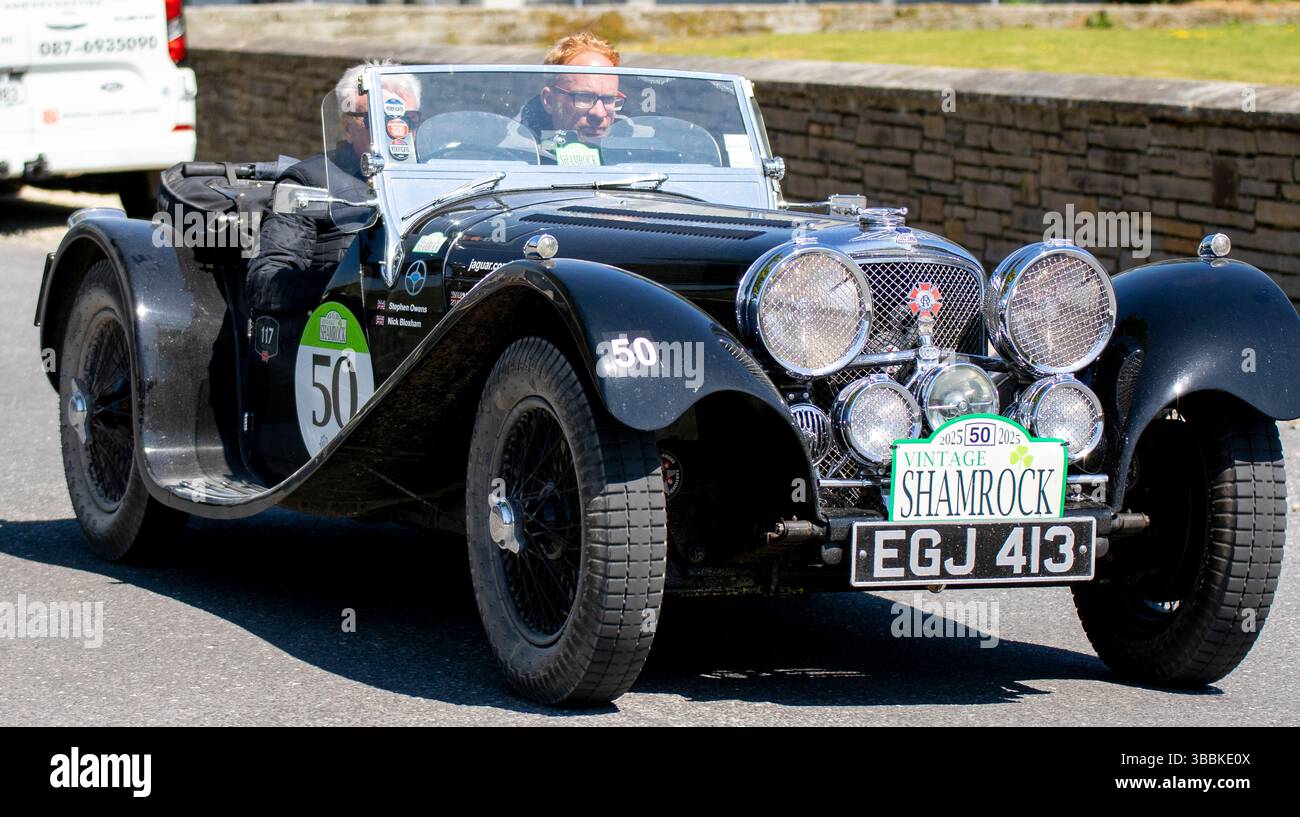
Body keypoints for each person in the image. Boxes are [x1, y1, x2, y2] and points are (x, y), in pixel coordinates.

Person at [240, 61, 420, 480]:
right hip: (341, 338)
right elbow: (266, 281)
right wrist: (344, 285)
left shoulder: (438, 182)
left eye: (405, 119)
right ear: (348, 125)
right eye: (377, 119)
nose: (396, 131)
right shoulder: (307, 181)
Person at [520, 32, 625, 148]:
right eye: (584, 97)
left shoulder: (641, 145)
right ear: (549, 101)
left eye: (609, 99)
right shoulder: (514, 154)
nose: (599, 113)